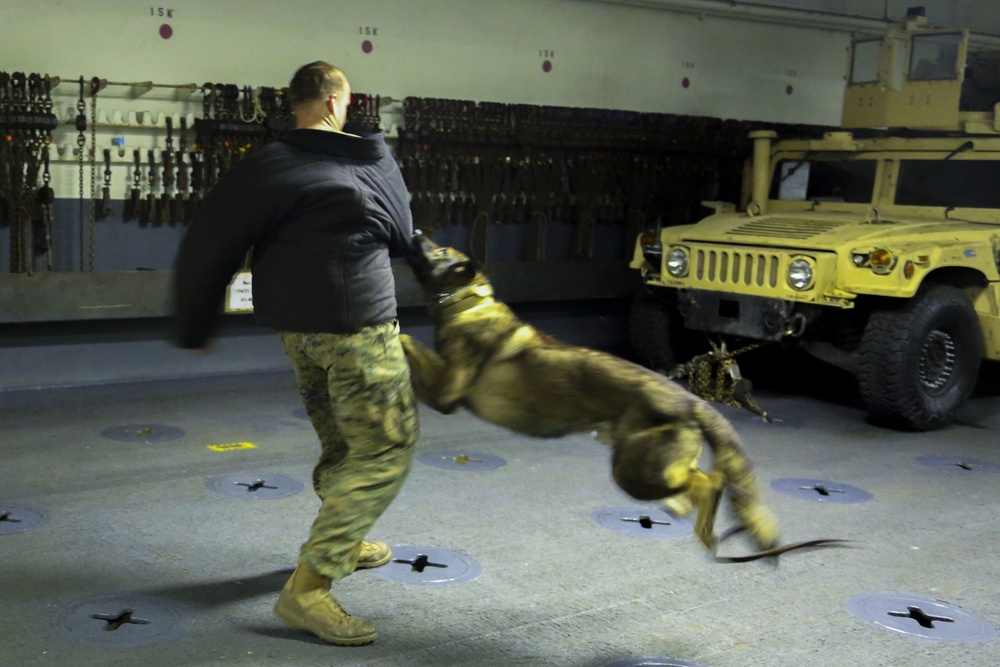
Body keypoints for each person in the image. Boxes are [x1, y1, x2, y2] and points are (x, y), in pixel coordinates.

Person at [172, 61, 418, 646]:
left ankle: (347, 538)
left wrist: (196, 322)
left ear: (296, 104)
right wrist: (376, 146)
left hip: (298, 332)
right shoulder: (366, 159)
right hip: (357, 329)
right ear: (337, 102)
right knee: (384, 449)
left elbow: (211, 240)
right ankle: (308, 590)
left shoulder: (266, 164)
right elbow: (404, 233)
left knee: (341, 441)